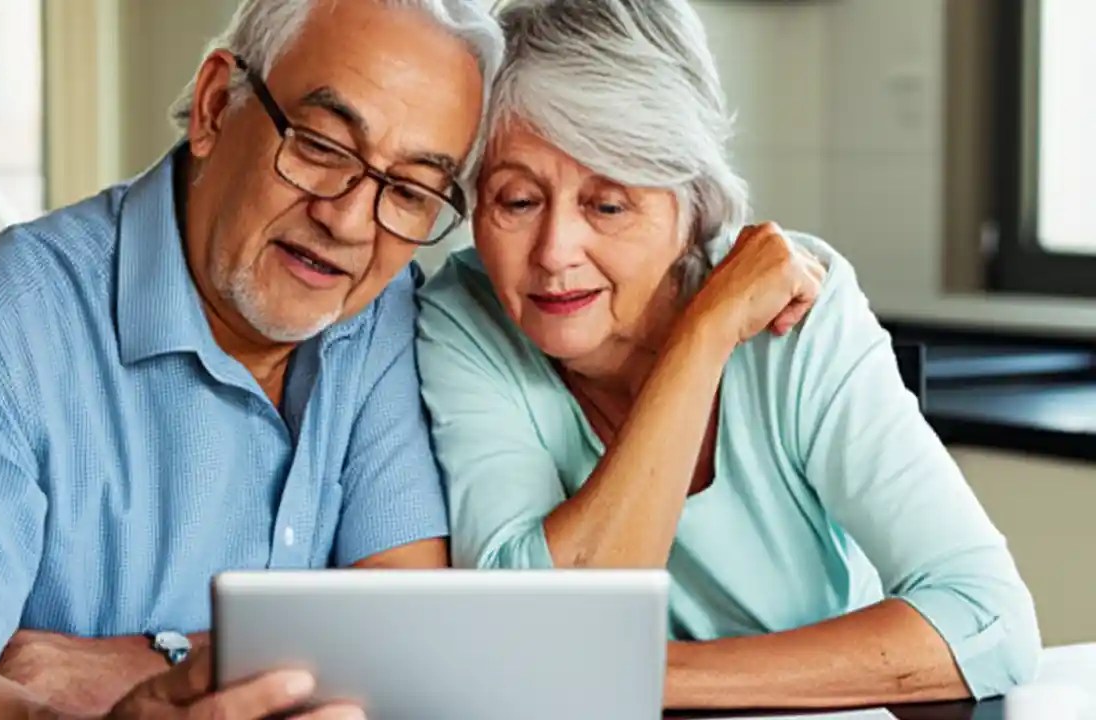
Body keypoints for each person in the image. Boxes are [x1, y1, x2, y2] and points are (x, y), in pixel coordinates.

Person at [0, 0, 502, 717]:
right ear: (215, 106)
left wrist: (146, 661)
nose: (346, 221)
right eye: (321, 146)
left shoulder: (384, 312)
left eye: (408, 191)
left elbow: (401, 634)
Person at [417, 0, 1040, 710]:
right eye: (517, 201)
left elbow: (989, 622)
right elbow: (526, 630)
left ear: (692, 205)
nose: (555, 252)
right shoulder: (464, 317)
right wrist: (701, 341)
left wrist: (651, 675)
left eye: (608, 206)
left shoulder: (795, 306)